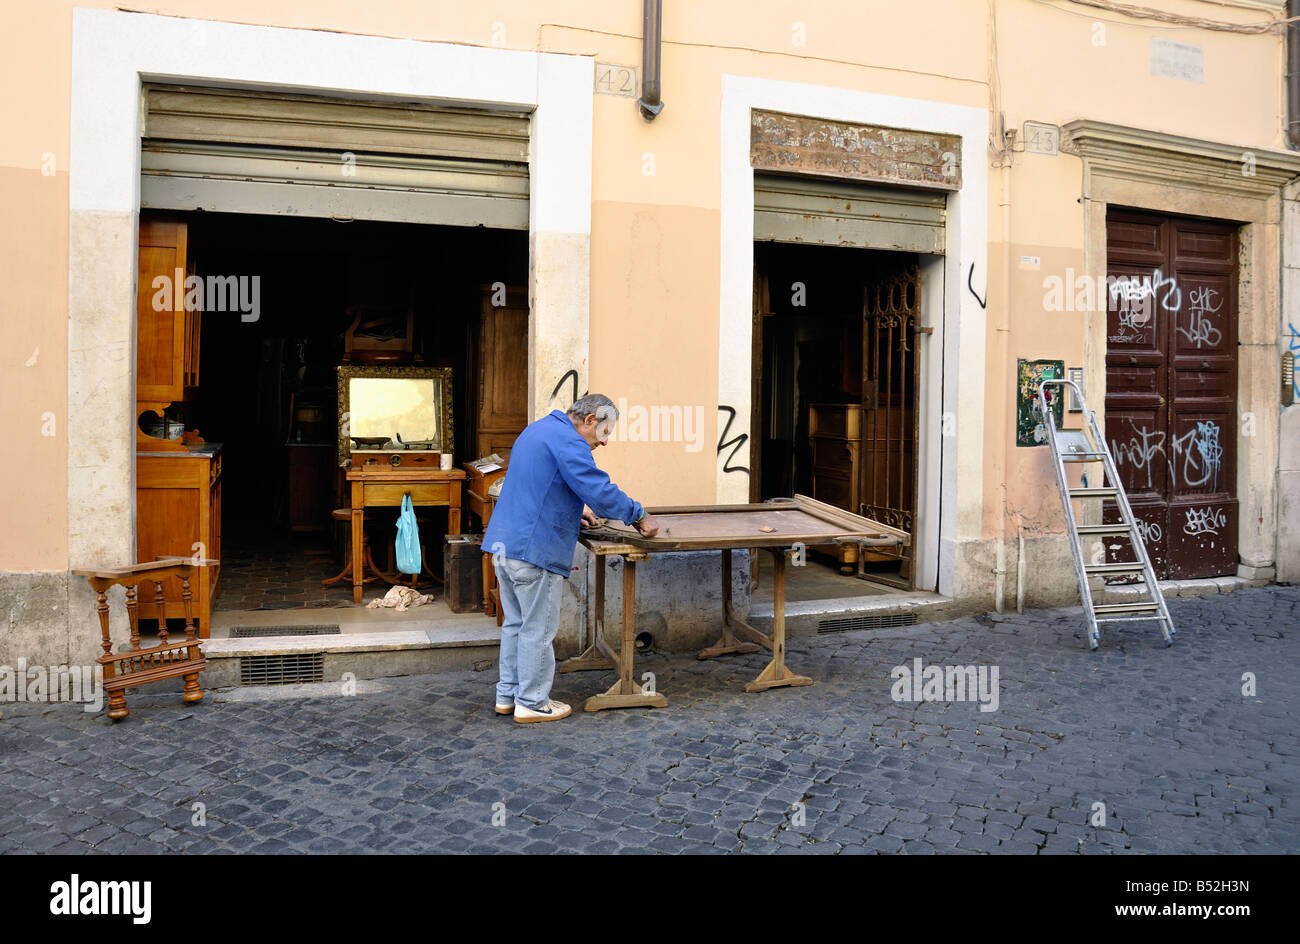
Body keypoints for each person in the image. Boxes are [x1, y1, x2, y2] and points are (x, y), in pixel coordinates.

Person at [482, 394, 659, 723]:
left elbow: (537, 486)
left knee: (516, 626)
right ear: (590, 420)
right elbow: (599, 489)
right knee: (538, 629)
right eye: (603, 434)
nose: (603, 444)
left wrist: (575, 510)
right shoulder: (569, 441)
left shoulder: (537, 430)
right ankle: (532, 703)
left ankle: (507, 696)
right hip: (535, 551)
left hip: (505, 545)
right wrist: (639, 514)